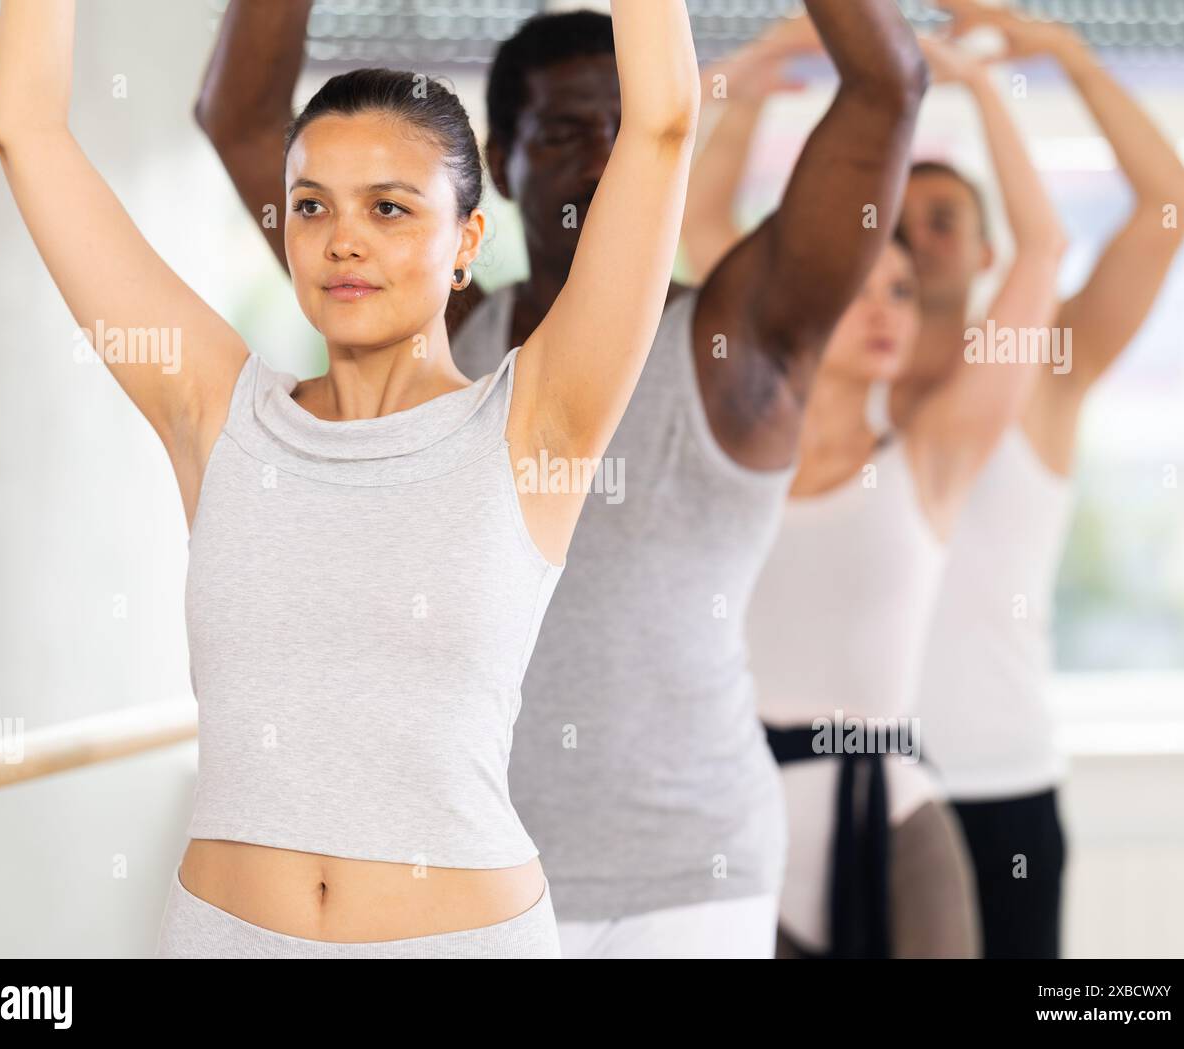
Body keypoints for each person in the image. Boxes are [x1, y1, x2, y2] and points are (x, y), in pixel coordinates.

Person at [195, 1, 929, 958]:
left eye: (623, 127)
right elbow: (245, 123)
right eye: (565, 130)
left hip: (682, 881)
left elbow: (889, 86)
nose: (600, 158)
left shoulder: (741, 338)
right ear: (499, 165)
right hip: (464, 884)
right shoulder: (436, 343)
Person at [0, 0, 701, 958]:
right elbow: (23, 128)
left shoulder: (536, 422)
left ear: (468, 241)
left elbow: (661, 125)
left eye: (390, 208)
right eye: (312, 204)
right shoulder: (217, 411)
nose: (342, 239)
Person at [685, 34, 1067, 957]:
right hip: (740, 823)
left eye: (902, 287)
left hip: (897, 821)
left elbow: (1044, 248)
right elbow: (697, 219)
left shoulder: (931, 455)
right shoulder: (731, 442)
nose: (889, 307)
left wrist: (981, 87)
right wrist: (763, 68)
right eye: (864, 286)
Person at [896, 0, 1184, 959]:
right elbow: (698, 222)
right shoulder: (830, 384)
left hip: (1002, 786)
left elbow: (1169, 206)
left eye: (943, 217)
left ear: (992, 251)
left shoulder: (1042, 366)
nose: (916, 238)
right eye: (894, 223)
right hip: (863, 784)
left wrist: (1064, 53)